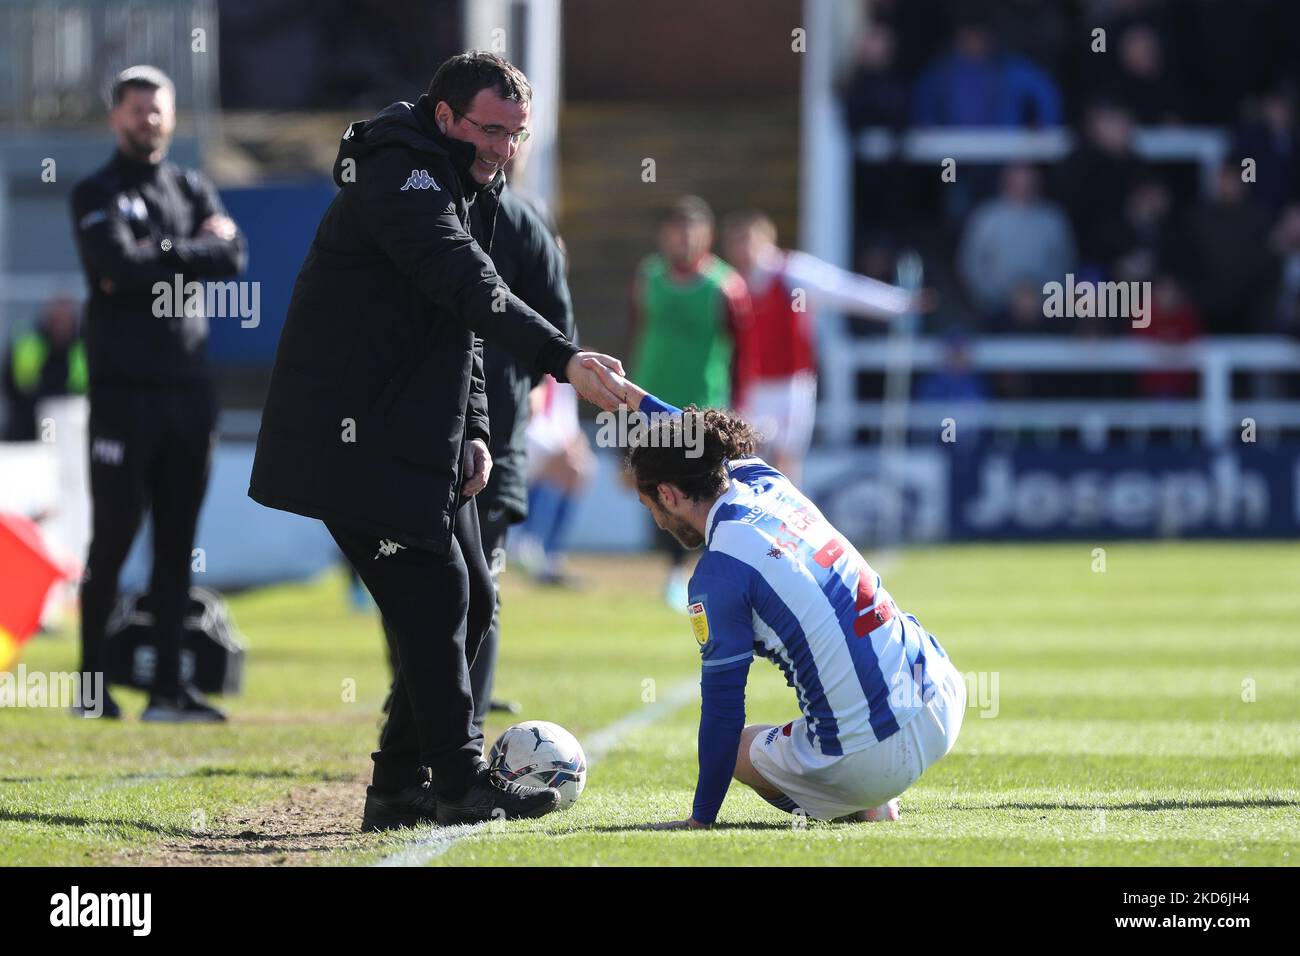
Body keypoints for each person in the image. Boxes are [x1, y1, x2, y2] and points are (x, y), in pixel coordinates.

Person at [248, 51, 623, 829]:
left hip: (421, 437)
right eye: (491, 130)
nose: (503, 150)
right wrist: (562, 357)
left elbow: (461, 328)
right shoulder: (401, 172)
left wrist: (478, 428)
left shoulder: (463, 177)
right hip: (352, 436)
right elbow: (467, 284)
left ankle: (395, 789)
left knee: (474, 598)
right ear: (445, 116)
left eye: (516, 135)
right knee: (437, 596)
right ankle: (457, 781)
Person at [599, 371, 965, 828]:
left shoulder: (716, 575)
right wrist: (639, 400)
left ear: (668, 495)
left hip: (870, 762)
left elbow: (723, 709)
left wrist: (700, 820)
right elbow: (705, 442)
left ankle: (865, 804)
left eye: (650, 505)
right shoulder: (767, 480)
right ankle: (867, 790)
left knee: (735, 750)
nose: (656, 520)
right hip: (944, 697)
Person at [69, 65, 247, 721]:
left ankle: (169, 690)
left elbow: (234, 258)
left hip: (188, 391)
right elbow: (115, 267)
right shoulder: (95, 190)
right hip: (123, 395)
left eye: (158, 109)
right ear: (116, 116)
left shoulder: (190, 184)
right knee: (112, 541)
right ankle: (92, 692)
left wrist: (161, 253)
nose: (149, 119)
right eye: (137, 108)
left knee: (178, 542)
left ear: (172, 117)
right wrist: (189, 249)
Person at [721, 209, 928, 484]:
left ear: (765, 239)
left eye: (747, 239)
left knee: (785, 462)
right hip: (752, 387)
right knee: (745, 459)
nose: (742, 249)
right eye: (735, 242)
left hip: (791, 384)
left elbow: (843, 290)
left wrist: (900, 303)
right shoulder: (730, 283)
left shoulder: (791, 273)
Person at [628, 195, 754, 609]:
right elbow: (637, 333)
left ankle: (705, 572)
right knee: (657, 489)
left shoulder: (726, 286)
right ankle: (673, 572)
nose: (683, 238)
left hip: (701, 408)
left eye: (691, 230)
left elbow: (741, 353)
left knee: (702, 492)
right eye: (676, 229)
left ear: (706, 236)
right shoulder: (649, 278)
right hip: (650, 403)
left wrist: (737, 407)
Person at [2, 296, 87, 443]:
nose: (62, 325)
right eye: (58, 319)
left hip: (67, 422)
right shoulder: (29, 343)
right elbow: (13, 384)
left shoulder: (82, 349)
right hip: (26, 423)